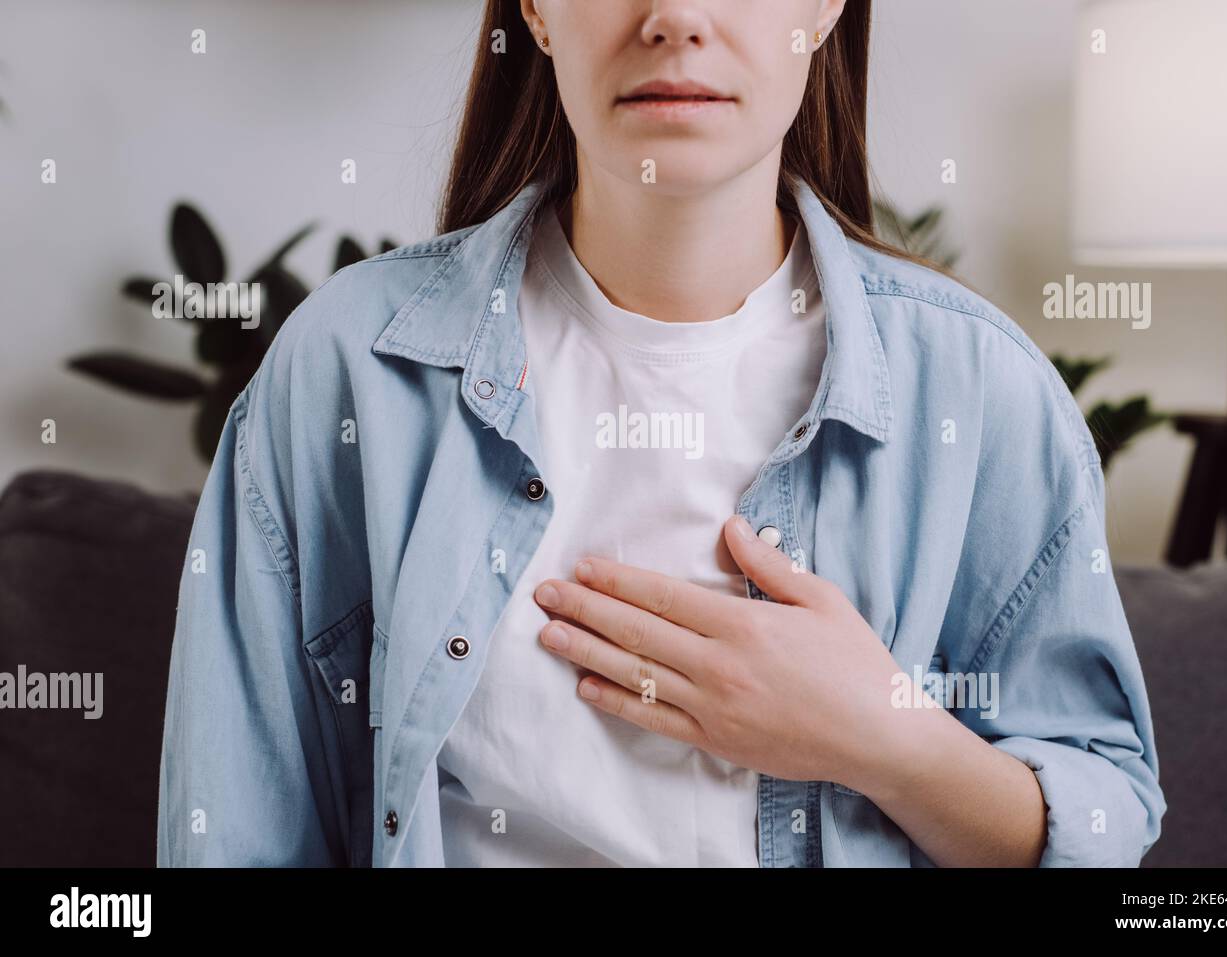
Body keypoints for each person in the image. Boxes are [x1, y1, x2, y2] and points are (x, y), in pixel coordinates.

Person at [156, 0, 1165, 867]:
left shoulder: (980, 391)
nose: (674, 16)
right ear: (536, 12)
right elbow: (232, 829)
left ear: (822, 9)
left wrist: (879, 737)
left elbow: (1102, 817)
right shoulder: (347, 369)